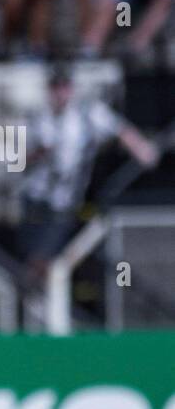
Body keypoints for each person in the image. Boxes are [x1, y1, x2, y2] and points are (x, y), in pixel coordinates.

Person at [17, 65, 157, 280]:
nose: (60, 93)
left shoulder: (87, 113)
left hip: (65, 199)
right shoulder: (37, 118)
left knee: (46, 255)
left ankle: (39, 294)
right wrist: (39, 154)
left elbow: (120, 129)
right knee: (32, 254)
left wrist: (141, 148)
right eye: (55, 87)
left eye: (64, 87)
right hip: (35, 195)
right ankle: (33, 295)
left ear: (71, 89)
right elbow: (19, 160)